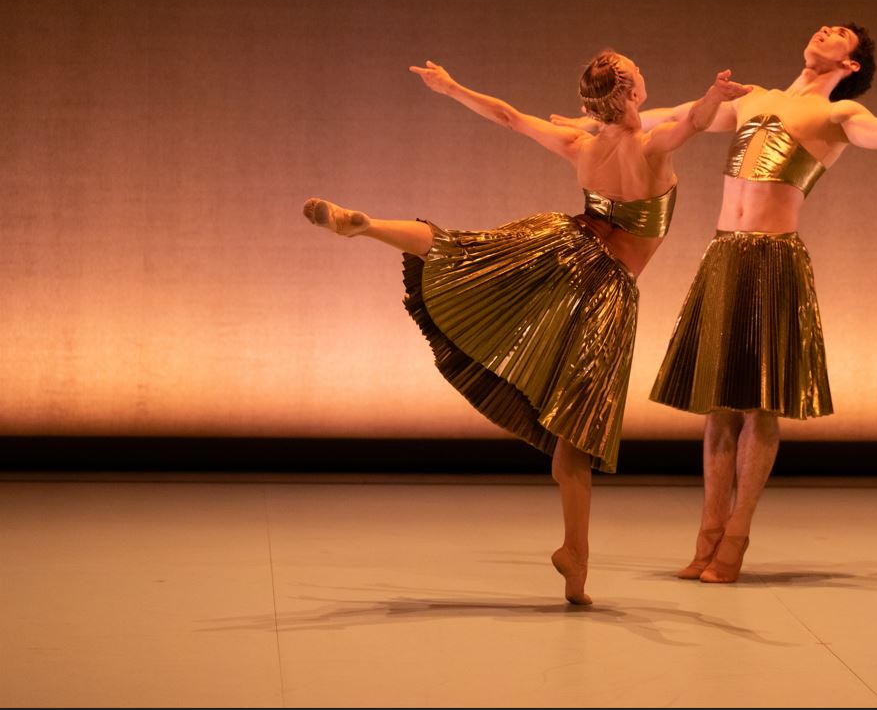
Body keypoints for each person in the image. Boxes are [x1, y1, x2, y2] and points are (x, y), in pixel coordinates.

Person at [561, 24, 877, 584]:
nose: (827, 31)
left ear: (851, 66)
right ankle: (706, 538)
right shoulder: (753, 98)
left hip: (773, 261)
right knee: (718, 406)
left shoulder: (840, 117)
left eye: (841, 35)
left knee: (760, 405)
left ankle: (735, 539)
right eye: (825, 26)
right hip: (725, 254)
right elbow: (670, 117)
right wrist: (597, 122)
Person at [303, 51, 746, 605]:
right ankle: (575, 556)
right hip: (603, 287)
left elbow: (510, 117)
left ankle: (369, 225)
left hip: (562, 244)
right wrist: (713, 96)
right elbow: (693, 124)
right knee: (577, 426)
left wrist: (452, 87)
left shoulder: (582, 145)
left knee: (463, 249)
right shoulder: (648, 148)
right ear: (632, 92)